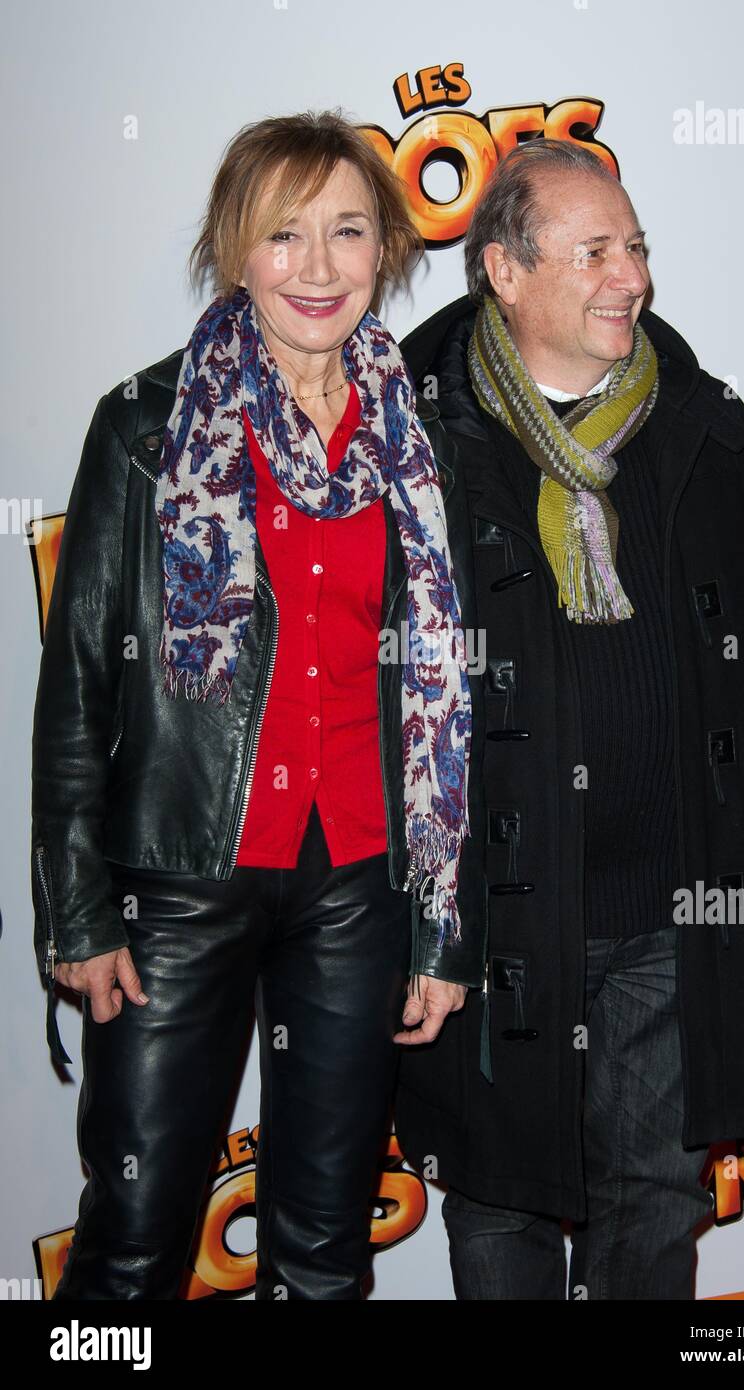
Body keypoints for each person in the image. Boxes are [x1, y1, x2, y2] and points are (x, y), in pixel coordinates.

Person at [30, 110, 486, 1301]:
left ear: (385, 247)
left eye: (347, 231)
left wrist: (440, 928)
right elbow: (77, 683)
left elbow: (444, 699)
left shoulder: (417, 436)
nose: (320, 268)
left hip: (360, 881)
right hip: (177, 879)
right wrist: (78, 912)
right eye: (285, 236)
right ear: (236, 253)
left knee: (325, 1250)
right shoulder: (143, 425)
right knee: (129, 1245)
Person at [394, 139, 744, 1300]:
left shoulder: (698, 417)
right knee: (500, 1201)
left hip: (675, 904)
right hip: (495, 922)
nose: (629, 276)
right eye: (594, 250)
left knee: (654, 1195)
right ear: (503, 270)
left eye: (636, 246)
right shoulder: (413, 437)